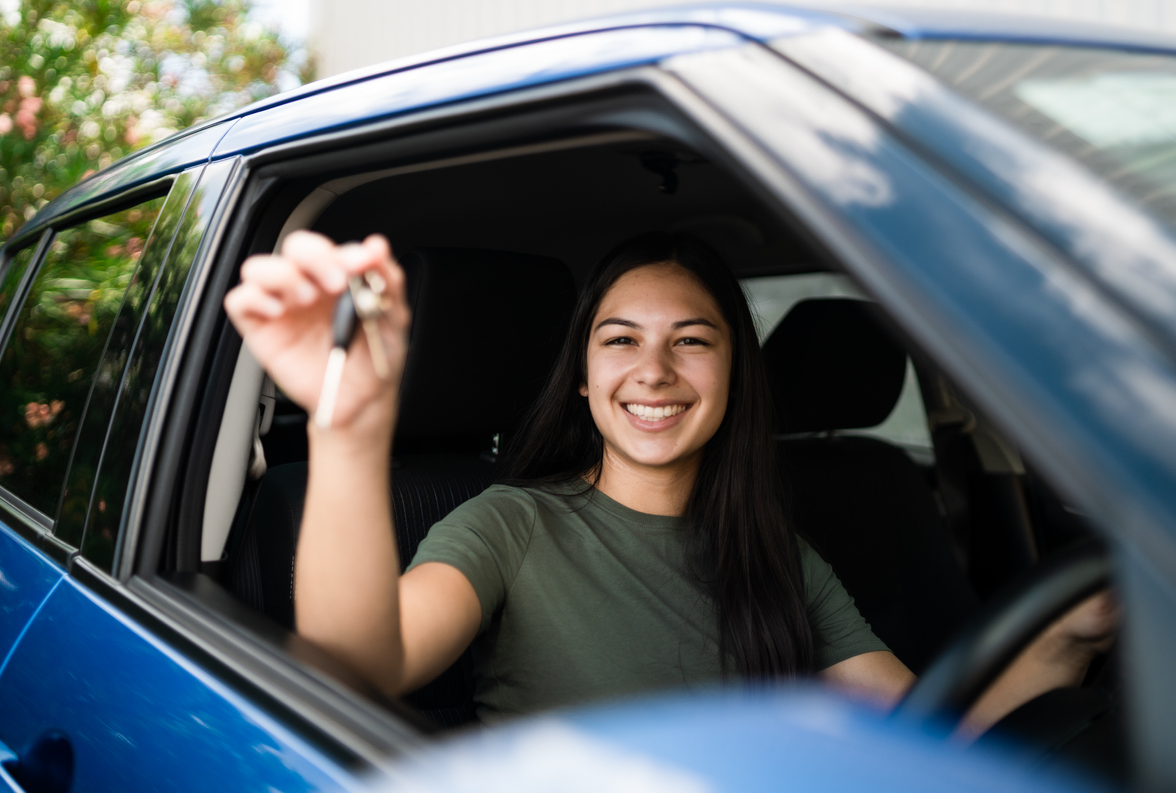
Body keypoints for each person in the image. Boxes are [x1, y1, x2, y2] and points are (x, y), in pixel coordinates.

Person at [224, 230, 1116, 734]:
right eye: (620, 340)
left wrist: (1066, 640)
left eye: (691, 340)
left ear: (733, 374)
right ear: (581, 375)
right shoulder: (511, 524)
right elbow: (357, 665)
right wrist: (349, 429)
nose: (653, 371)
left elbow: (929, 724)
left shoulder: (774, 552)